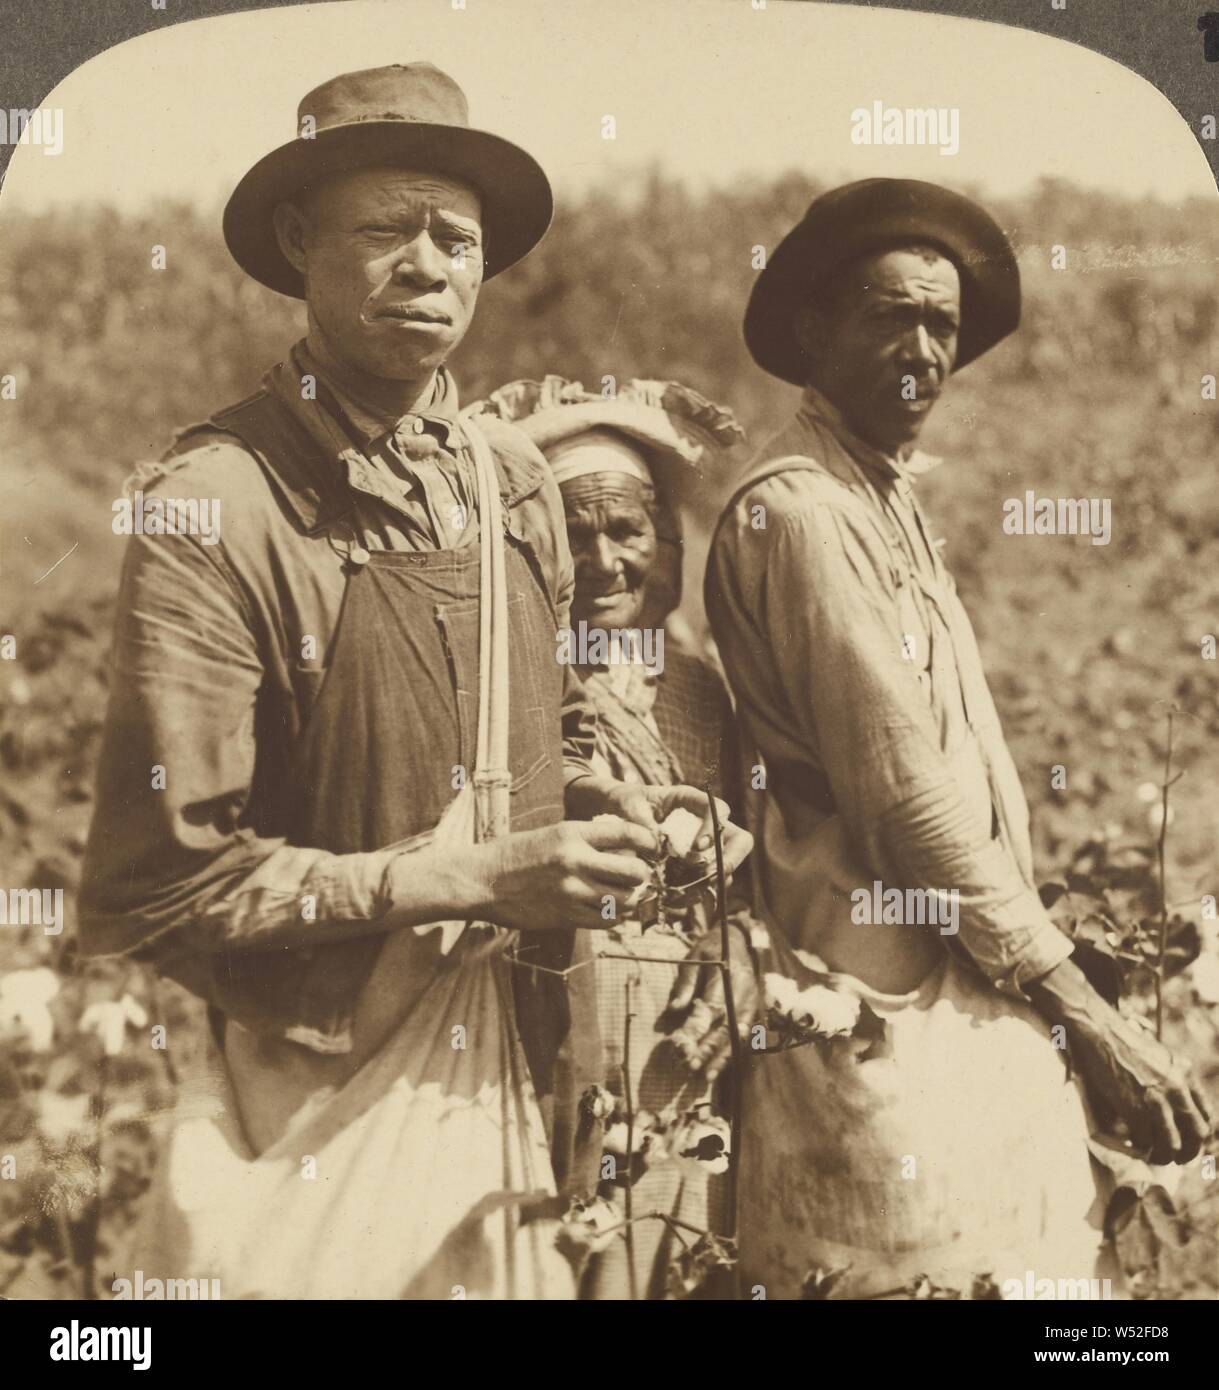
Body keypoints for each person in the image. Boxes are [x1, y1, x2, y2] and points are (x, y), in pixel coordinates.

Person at [78, 63, 737, 1299]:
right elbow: (162, 881)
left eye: (456, 238)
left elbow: (538, 730)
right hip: (314, 1088)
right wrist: (467, 875)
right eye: (385, 229)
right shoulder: (218, 507)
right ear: (297, 241)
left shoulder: (508, 483)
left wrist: (611, 805)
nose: (427, 265)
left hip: (518, 1079)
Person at [705, 178, 1211, 1298]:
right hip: (868, 976)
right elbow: (902, 801)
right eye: (892, 315)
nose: (924, 348)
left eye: (940, 324)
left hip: (936, 959)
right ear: (812, 332)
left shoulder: (878, 498)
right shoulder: (801, 514)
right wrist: (1077, 1004)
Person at [473, 376, 757, 1297]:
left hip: (688, 1026)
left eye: (626, 531)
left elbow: (761, 870)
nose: (600, 563)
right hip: (545, 1017)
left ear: (670, 546)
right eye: (571, 535)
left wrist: (729, 953)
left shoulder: (711, 692)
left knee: (672, 1240)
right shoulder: (501, 695)